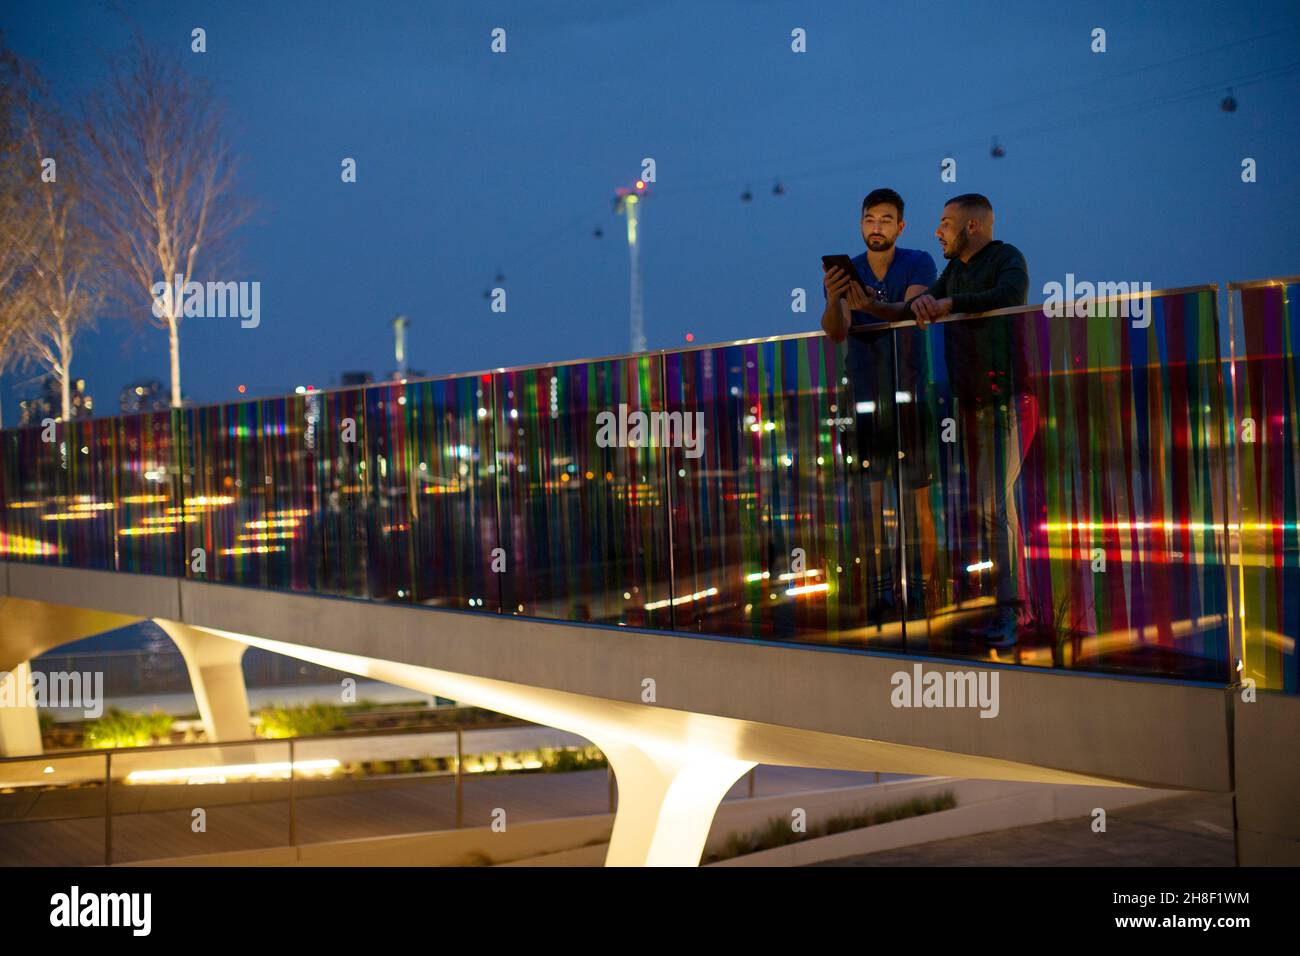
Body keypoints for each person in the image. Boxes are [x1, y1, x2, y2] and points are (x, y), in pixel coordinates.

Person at [851, 193, 1033, 647]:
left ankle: (1011, 613)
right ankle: (1007, 608)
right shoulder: (952, 272)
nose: (938, 232)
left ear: (972, 226)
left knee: (992, 507)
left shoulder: (1005, 258)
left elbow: (1010, 295)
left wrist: (949, 305)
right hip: (972, 403)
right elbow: (915, 308)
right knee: (992, 507)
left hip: (1007, 398)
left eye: (946, 224)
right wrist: (871, 304)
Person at [820, 188, 936, 624]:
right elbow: (835, 332)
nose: (876, 227)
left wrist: (871, 304)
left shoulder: (919, 261)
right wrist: (835, 300)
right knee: (868, 503)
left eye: (886, 220)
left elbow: (911, 312)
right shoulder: (845, 272)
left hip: (909, 395)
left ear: (900, 226)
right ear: (860, 224)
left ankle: (922, 590)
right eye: (869, 219)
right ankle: (879, 590)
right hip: (863, 398)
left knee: (916, 501)